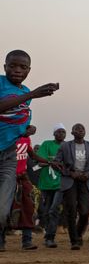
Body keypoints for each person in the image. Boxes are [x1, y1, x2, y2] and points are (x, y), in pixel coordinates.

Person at [0, 50, 58, 251]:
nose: (17, 70)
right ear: (4, 66)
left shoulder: (25, 92)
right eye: (13, 66)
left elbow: (17, 118)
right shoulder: (3, 84)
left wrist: (26, 129)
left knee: (3, 211)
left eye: (22, 67)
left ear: (29, 70)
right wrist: (32, 94)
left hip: (9, 154)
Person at [54, 123, 89, 250]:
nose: (80, 131)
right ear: (72, 132)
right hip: (70, 181)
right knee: (71, 210)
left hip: (86, 181)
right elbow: (57, 163)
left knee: (85, 212)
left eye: (82, 129)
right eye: (77, 129)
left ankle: (79, 234)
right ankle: (74, 240)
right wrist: (70, 173)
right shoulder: (65, 146)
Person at [11, 125, 46, 250]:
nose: (32, 129)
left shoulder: (26, 140)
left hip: (23, 177)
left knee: (29, 206)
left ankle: (27, 240)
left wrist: (49, 162)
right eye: (29, 128)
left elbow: (33, 155)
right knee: (8, 206)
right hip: (9, 177)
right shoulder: (10, 139)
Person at [39, 124, 67, 248]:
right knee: (45, 211)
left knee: (53, 210)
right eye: (59, 132)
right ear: (54, 133)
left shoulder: (67, 146)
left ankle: (50, 238)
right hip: (46, 182)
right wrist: (51, 162)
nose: (61, 134)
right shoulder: (47, 144)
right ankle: (47, 234)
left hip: (60, 183)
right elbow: (40, 161)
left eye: (63, 132)